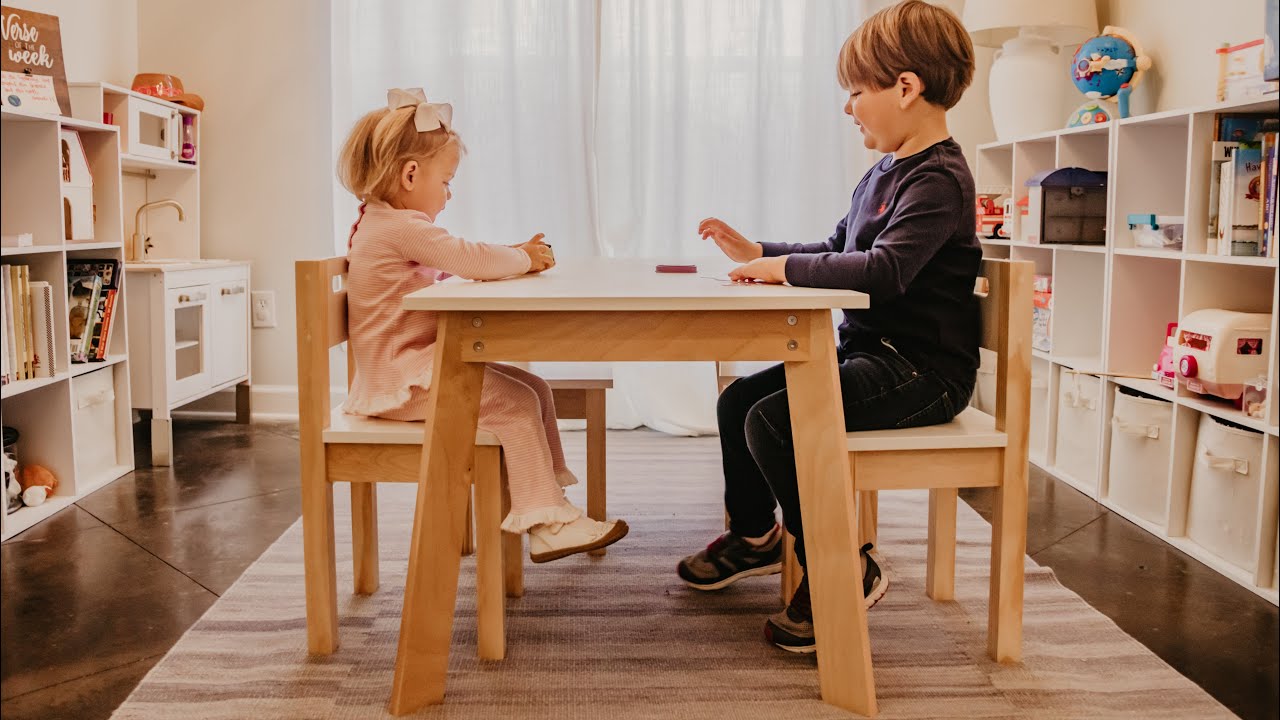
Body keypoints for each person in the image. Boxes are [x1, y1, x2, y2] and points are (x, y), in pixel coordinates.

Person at [679, 0, 980, 653]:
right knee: (739, 403)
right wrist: (760, 253)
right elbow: (837, 249)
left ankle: (841, 566)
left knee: (774, 421)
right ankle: (756, 535)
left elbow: (884, 270)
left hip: (921, 370)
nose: (848, 108)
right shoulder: (882, 173)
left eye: (856, 92)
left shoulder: (940, 179)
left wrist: (781, 267)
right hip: (872, 357)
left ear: (905, 88)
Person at [337, 87, 628, 562]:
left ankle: (544, 499)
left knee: (534, 387)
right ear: (411, 174)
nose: (449, 195)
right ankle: (548, 521)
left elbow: (456, 262)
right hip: (403, 383)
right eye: (447, 182)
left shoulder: (384, 222)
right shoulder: (401, 226)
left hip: (408, 371)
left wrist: (513, 256)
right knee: (513, 402)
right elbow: (466, 256)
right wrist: (521, 258)